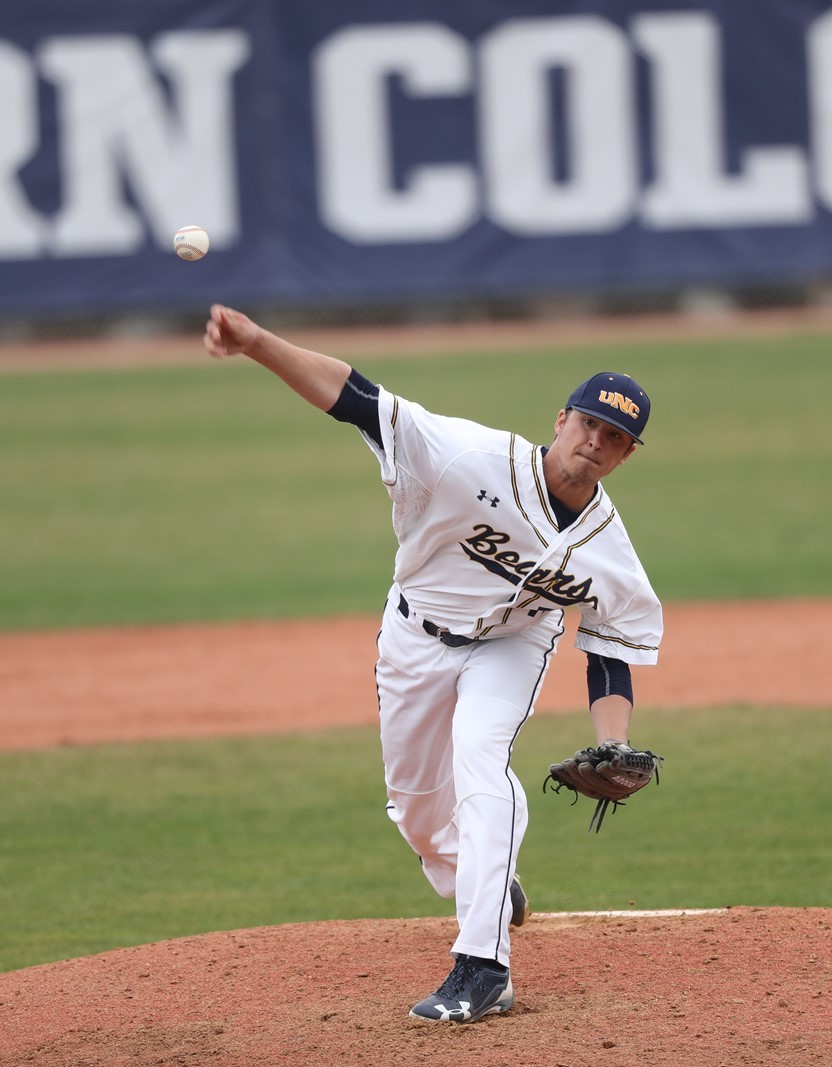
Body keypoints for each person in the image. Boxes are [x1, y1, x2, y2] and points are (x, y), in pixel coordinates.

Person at [202, 304, 663, 1024]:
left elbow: (610, 648)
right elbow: (355, 397)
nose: (596, 443)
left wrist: (613, 739)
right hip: (414, 636)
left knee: (481, 756)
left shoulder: (610, 551)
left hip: (513, 644)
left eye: (616, 437)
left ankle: (483, 966)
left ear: (627, 455)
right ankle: (487, 877)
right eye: (589, 424)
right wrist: (257, 342)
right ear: (560, 419)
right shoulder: (465, 455)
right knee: (418, 810)